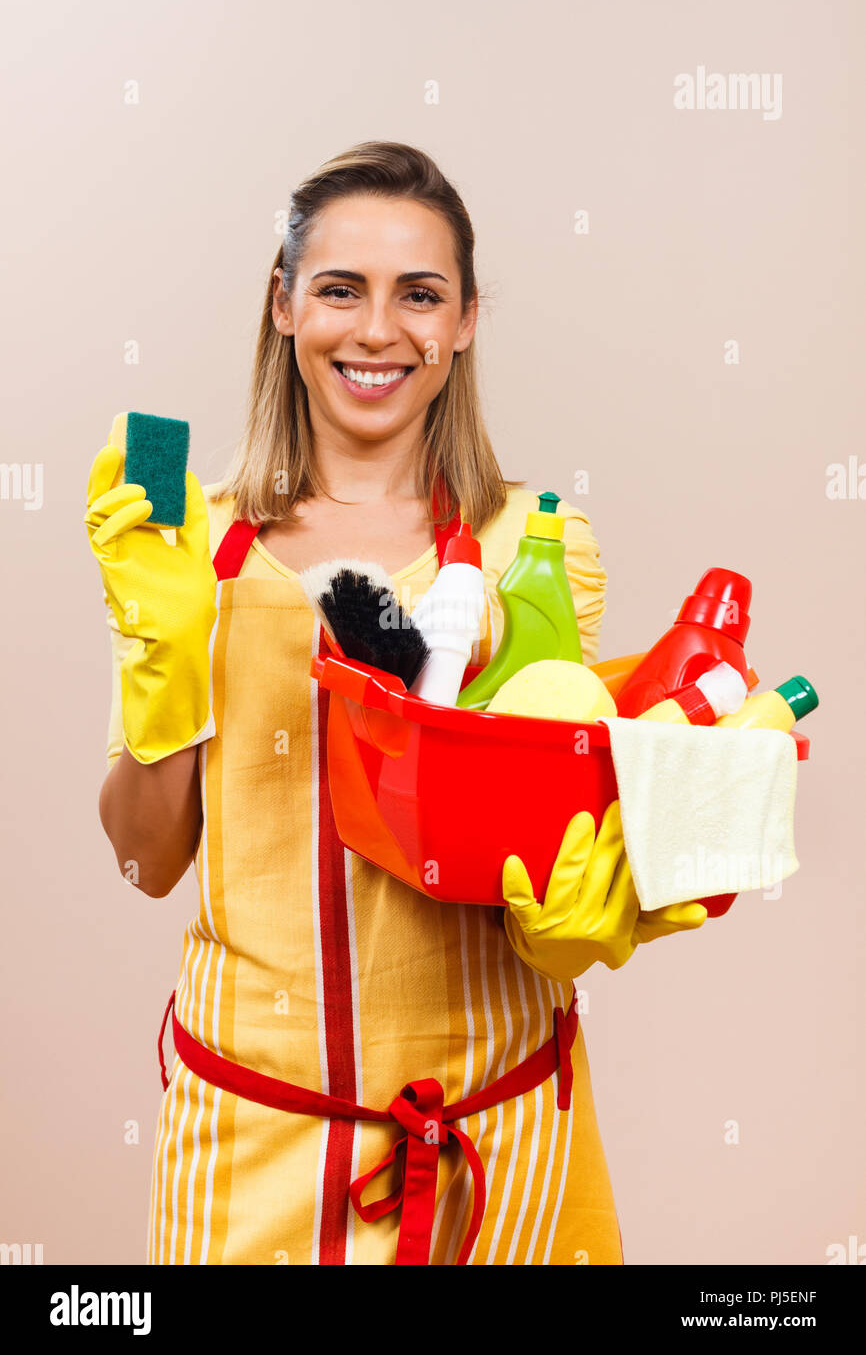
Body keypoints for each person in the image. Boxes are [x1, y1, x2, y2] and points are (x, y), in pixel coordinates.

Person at [86, 140, 705, 1266]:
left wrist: (599, 901)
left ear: (464, 320)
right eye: (338, 288)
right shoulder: (186, 546)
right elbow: (147, 857)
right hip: (248, 1138)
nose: (376, 331)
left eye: (418, 294)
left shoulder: (536, 552)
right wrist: (165, 660)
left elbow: (553, 869)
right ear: (282, 305)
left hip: (499, 1141)